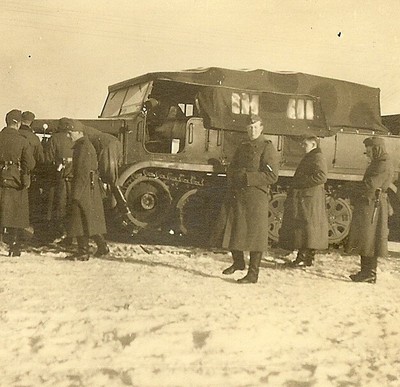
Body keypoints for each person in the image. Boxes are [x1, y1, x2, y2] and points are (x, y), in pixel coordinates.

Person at [211, 114, 279, 283]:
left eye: (255, 127)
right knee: (234, 229)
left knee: (255, 236)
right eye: (250, 127)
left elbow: (272, 175)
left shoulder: (266, 147)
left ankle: (253, 274)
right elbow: (234, 166)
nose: (252, 130)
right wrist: (232, 174)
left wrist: (247, 178)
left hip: (256, 197)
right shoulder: (243, 145)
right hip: (239, 194)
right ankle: (239, 262)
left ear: (261, 128)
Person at [345, 137, 393, 283]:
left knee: (369, 239)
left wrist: (349, 189)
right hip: (370, 203)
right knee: (367, 239)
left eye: (369, 149)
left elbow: (370, 184)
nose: (367, 152)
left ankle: (369, 273)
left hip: (373, 204)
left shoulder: (383, 163)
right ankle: (366, 272)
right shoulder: (379, 162)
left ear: (376, 148)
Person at [278, 135, 329, 267]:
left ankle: (304, 258)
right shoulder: (313, 155)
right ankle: (306, 258)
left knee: (307, 228)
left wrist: (300, 182)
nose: (303, 147)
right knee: (307, 229)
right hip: (308, 198)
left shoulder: (317, 156)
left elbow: (321, 176)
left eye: (305, 145)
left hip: (309, 198)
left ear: (313, 145)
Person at [65, 122, 109, 260]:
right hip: (89, 187)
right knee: (88, 219)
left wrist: (76, 194)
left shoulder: (83, 147)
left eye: (70, 132)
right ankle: (102, 247)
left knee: (79, 218)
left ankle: (83, 252)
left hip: (84, 187)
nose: (68, 135)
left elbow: (82, 172)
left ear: (79, 132)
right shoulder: (84, 145)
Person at [0, 109, 35, 256]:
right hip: (16, 181)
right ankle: (14, 246)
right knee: (16, 214)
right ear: (16, 123)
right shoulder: (22, 140)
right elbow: (30, 163)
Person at [44, 117, 75, 242]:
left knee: (59, 206)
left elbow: (48, 159)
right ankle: (71, 235)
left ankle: (60, 232)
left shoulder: (55, 138)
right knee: (72, 206)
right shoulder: (75, 139)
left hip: (60, 177)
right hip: (74, 178)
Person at [19, 111, 46, 242]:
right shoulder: (34, 138)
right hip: (30, 175)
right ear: (31, 122)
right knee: (31, 203)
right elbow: (41, 159)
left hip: (11, 175)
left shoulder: (14, 134)